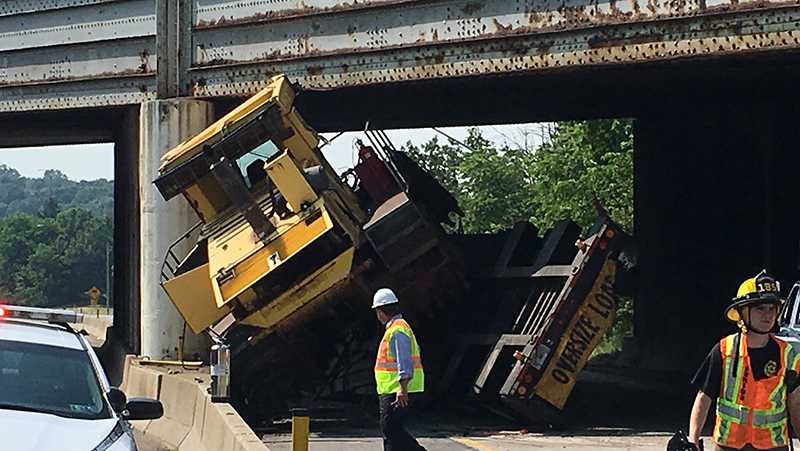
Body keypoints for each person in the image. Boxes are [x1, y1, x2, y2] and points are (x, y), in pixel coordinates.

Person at [686, 270, 800, 451]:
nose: (767, 314)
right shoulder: (724, 350)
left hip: (772, 446)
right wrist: (693, 440)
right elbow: (703, 399)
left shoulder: (788, 354)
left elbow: (796, 405)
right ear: (743, 312)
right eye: (760, 308)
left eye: (772, 308)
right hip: (729, 446)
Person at [372, 288, 427, 451]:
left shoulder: (397, 330)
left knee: (390, 429)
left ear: (381, 311)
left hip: (396, 391)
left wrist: (402, 389)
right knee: (392, 431)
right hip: (394, 390)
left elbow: (404, 362)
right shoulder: (399, 328)